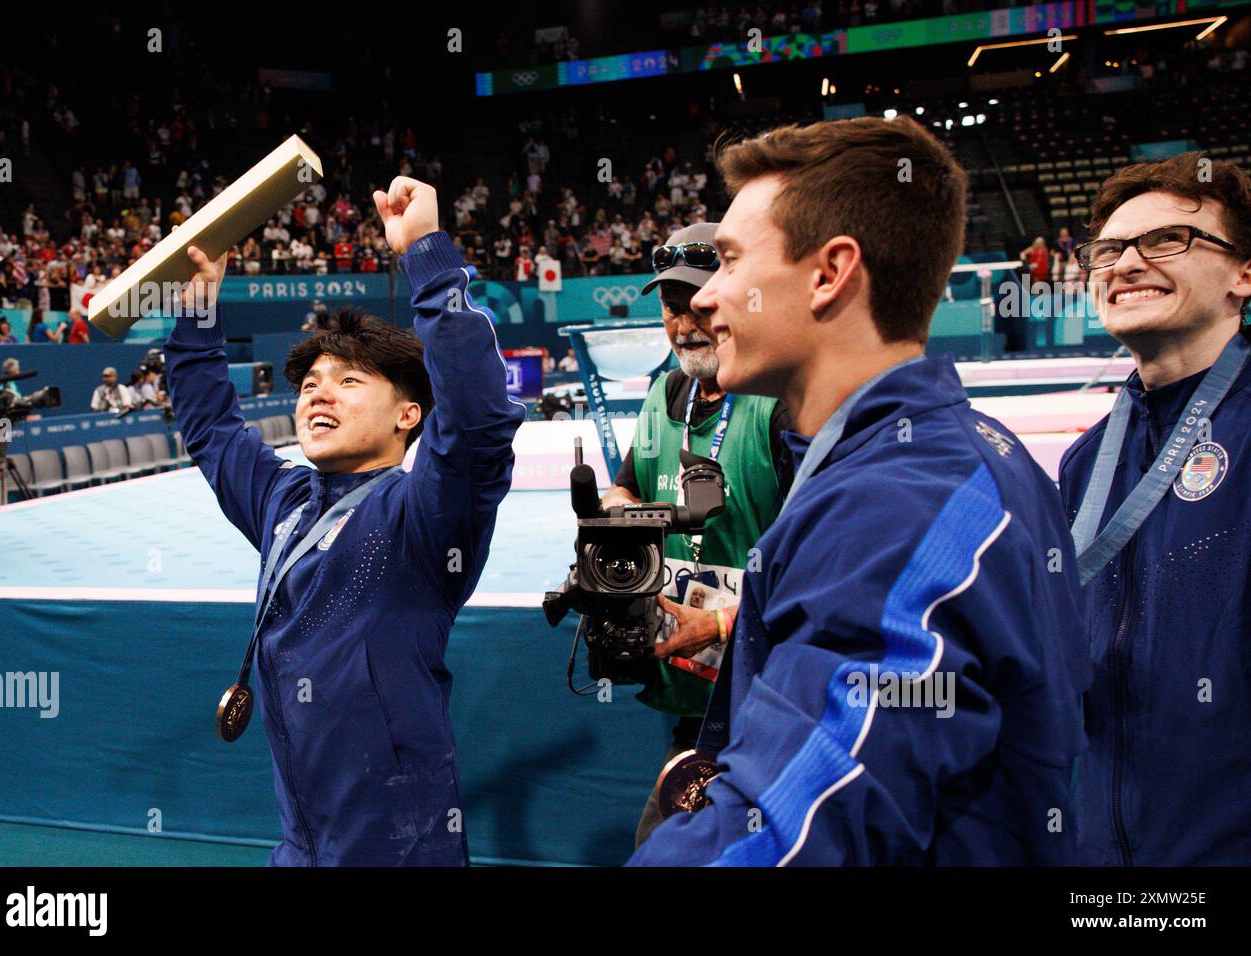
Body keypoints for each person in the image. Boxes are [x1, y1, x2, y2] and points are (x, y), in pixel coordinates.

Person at [629, 116, 1090, 867]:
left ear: (829, 273)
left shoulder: (898, 509)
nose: (705, 299)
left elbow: (788, 836)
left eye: (730, 261)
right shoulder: (955, 459)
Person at [164, 176, 524, 866]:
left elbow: (477, 419)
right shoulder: (282, 500)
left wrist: (426, 254)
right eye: (308, 385)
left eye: (349, 381)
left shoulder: (424, 514)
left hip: (398, 848)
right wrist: (201, 307)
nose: (319, 394)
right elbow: (210, 425)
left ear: (408, 413)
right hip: (299, 842)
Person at [1059, 152, 1251, 865]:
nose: (1127, 263)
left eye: (1168, 240)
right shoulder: (1084, 464)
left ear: (1246, 273)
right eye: (1109, 250)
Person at [599, 222, 792, 848]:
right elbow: (624, 489)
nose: (685, 322)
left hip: (774, 689)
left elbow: (822, 565)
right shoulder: (667, 390)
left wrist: (720, 624)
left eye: (700, 303)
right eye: (671, 306)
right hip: (695, 690)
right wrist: (614, 542)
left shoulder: (779, 400)